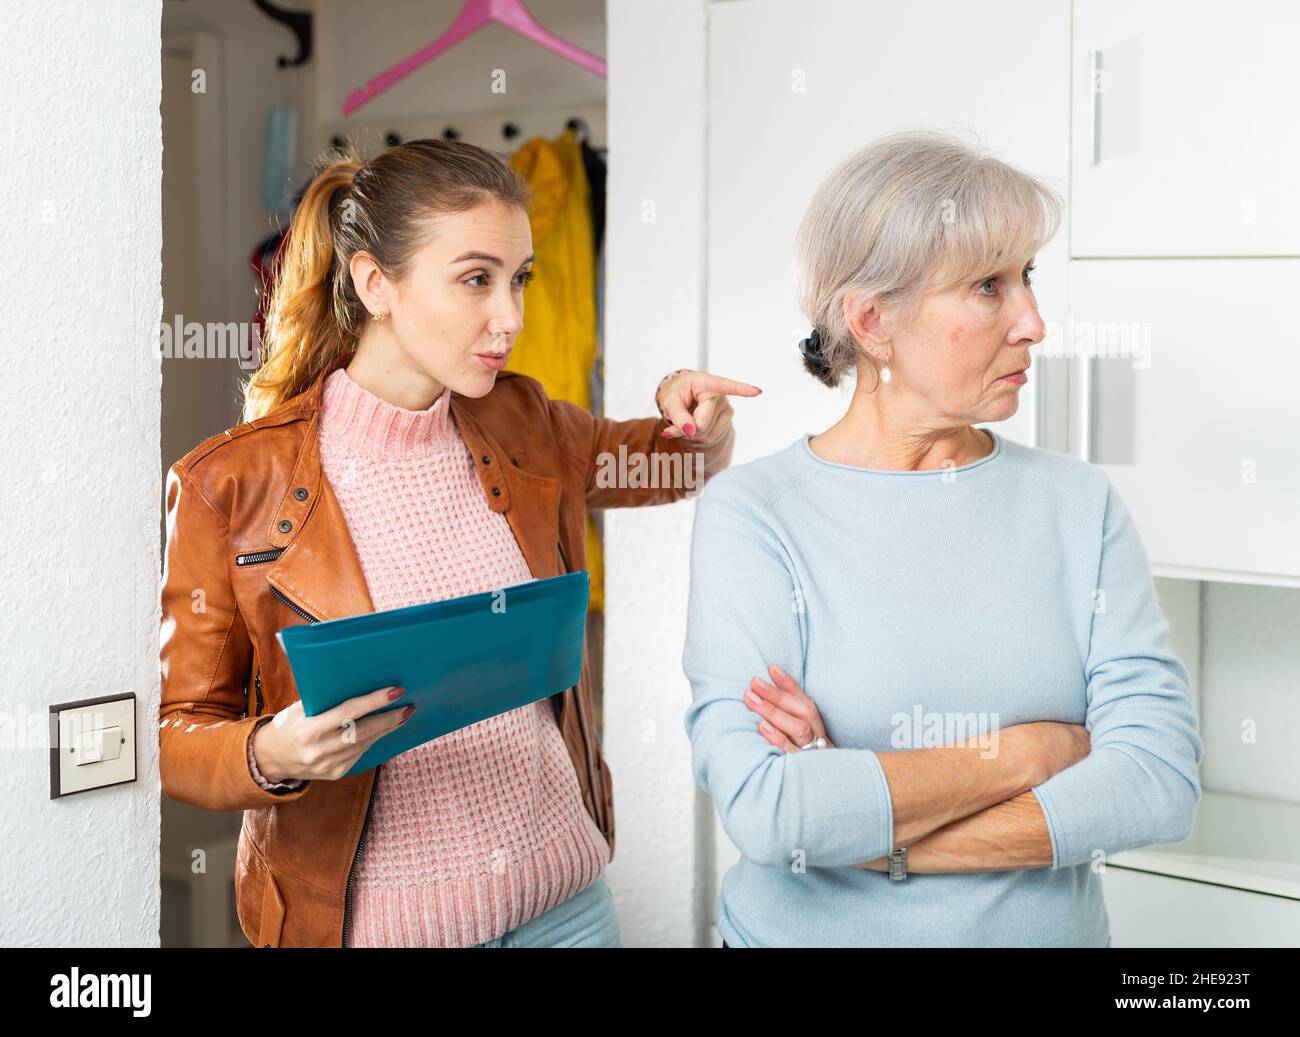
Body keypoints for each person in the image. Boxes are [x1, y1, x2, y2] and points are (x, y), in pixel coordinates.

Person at [158, 138, 759, 948]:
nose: (511, 317)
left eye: (520, 279)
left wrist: (697, 423)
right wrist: (274, 751)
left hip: (568, 911)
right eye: (477, 279)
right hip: (379, 934)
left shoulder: (522, 419)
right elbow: (180, 733)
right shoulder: (228, 485)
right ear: (375, 283)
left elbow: (670, 463)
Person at [683, 128, 1203, 947]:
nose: (1034, 321)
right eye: (989, 286)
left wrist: (871, 831)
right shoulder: (755, 514)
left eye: (1027, 277)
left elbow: (1158, 782)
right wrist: (1031, 751)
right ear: (872, 321)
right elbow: (772, 812)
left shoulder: (1079, 505)